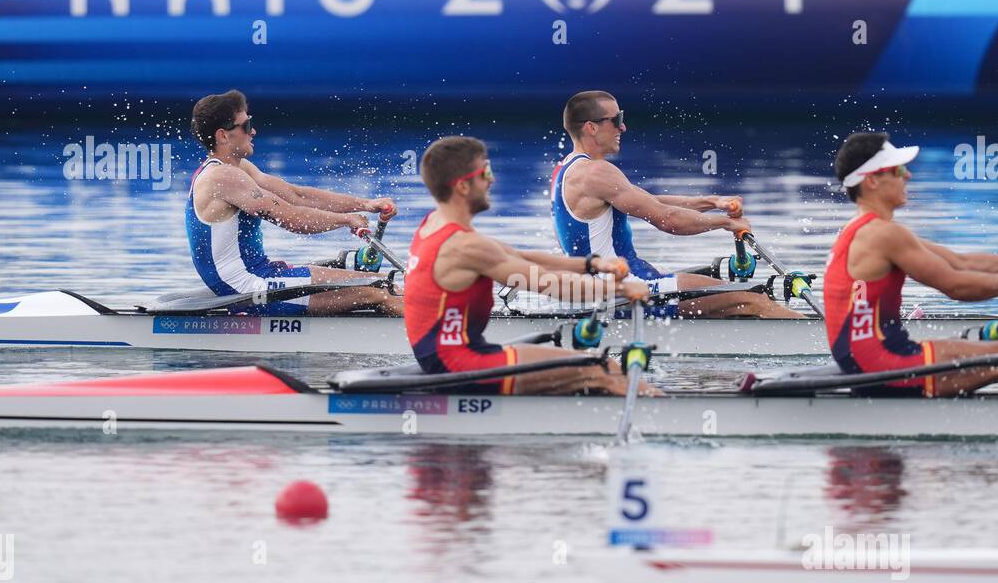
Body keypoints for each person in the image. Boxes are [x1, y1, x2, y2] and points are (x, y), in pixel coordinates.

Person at [825, 131, 998, 398]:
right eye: (898, 170)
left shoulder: (864, 230)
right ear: (872, 180)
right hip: (878, 362)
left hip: (865, 357)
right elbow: (957, 287)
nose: (908, 175)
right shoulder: (883, 234)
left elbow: (959, 262)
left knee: (984, 350)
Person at [407, 136, 654, 395]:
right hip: (458, 364)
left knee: (596, 369)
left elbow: (519, 255)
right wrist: (622, 290)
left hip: (446, 356)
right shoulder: (466, 247)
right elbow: (553, 285)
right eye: (486, 172)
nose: (492, 180)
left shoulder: (434, 224)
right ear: (462, 187)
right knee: (602, 369)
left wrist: (592, 264)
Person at [550, 90, 804, 318]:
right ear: (591, 128)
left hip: (608, 284)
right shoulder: (595, 172)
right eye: (616, 120)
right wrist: (726, 224)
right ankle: (819, 345)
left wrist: (713, 202)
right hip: (621, 288)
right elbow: (668, 220)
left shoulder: (567, 169)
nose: (623, 127)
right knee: (754, 299)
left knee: (729, 301)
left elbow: (651, 201)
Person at [186, 90, 401, 315]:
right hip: (248, 287)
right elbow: (292, 218)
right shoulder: (222, 177)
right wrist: (347, 220)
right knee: (382, 288)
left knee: (378, 282)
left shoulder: (237, 169)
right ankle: (423, 334)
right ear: (223, 136)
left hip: (260, 275)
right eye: (246, 126)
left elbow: (297, 196)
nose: (253, 131)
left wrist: (365, 204)